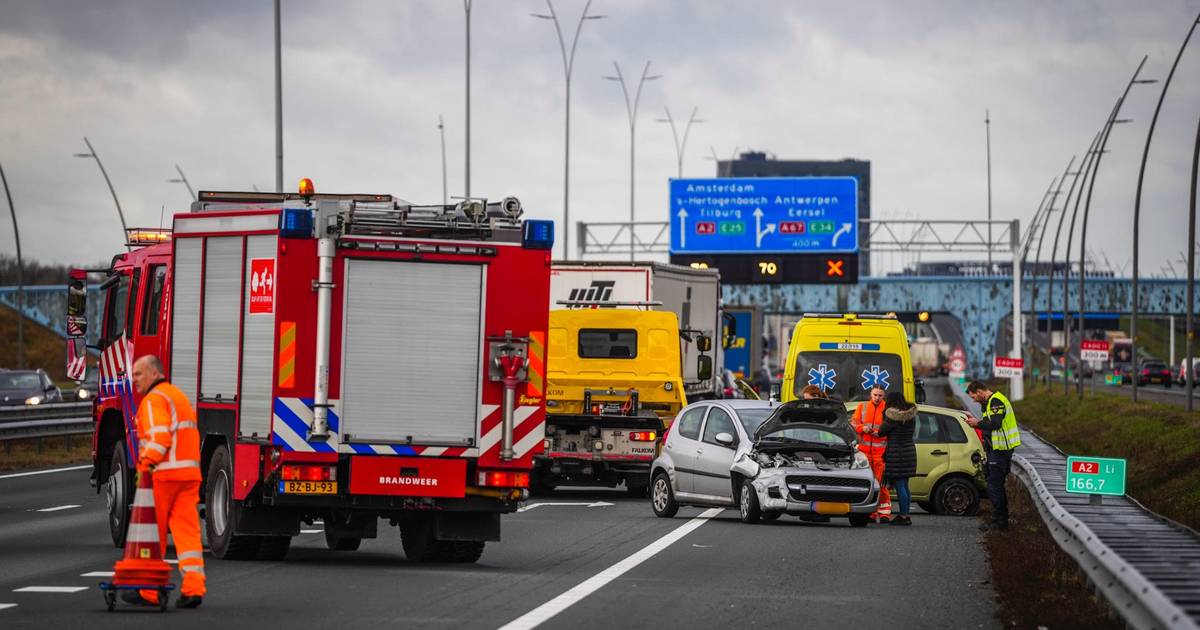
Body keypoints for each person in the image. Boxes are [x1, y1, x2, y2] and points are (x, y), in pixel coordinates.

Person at [127, 355, 206, 609]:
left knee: (152, 535)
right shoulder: (177, 396)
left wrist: (145, 464)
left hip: (163, 475)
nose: (134, 379)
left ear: (153, 373)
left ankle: (150, 591)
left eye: (139, 374)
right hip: (189, 475)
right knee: (187, 534)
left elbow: (160, 437)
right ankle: (193, 589)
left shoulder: (153, 400)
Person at [964, 380, 1022, 532]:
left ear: (980, 391)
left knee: (994, 486)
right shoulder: (988, 402)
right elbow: (989, 422)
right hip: (995, 450)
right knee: (994, 484)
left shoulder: (996, 401)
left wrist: (977, 423)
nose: (973, 400)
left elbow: (995, 423)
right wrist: (976, 419)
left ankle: (1000, 523)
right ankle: (999, 520)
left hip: (1001, 450)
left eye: (973, 397)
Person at [850, 384, 891, 522]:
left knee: (880, 484)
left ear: (884, 396)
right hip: (864, 453)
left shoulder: (887, 410)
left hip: (880, 453)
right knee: (868, 484)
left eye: (880, 395)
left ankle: (884, 513)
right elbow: (854, 424)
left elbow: (890, 431)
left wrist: (877, 433)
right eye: (875, 395)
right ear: (870, 394)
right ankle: (870, 513)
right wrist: (863, 428)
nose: (877, 398)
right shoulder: (863, 407)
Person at [876, 392, 917, 526]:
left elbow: (881, 431)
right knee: (905, 485)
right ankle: (906, 515)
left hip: (897, 453)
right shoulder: (911, 415)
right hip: (909, 451)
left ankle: (903, 516)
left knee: (900, 485)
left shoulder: (892, 416)